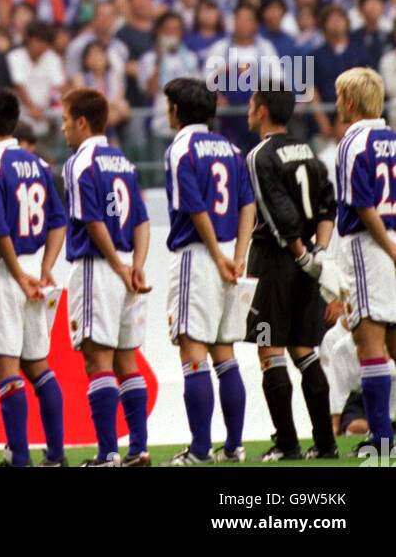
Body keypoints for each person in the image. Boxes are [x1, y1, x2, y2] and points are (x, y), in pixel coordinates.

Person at [163, 75, 255, 466]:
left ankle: (200, 450)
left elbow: (194, 206)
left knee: (193, 349)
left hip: (197, 258)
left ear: (177, 110)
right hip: (229, 260)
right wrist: (239, 253)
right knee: (225, 352)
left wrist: (217, 254)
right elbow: (247, 203)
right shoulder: (232, 150)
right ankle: (233, 447)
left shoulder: (180, 148)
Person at [0, 85, 67, 468]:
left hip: (6, 274)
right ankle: (57, 453)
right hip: (35, 273)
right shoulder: (38, 165)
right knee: (39, 365)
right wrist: (44, 268)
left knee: (5, 367)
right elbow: (58, 221)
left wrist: (17, 273)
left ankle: (19, 455)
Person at [245, 83, 338, 462]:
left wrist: (299, 253)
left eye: (252, 105)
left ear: (262, 110)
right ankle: (327, 444)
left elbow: (276, 213)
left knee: (270, 350)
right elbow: (328, 207)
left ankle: (287, 445)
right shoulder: (309, 152)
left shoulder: (259, 156)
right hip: (309, 263)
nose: (249, 111)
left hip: (276, 264)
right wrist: (318, 254)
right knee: (305, 349)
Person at [61, 86, 151, 467]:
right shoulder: (123, 162)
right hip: (129, 266)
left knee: (98, 363)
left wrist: (116, 264)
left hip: (97, 268)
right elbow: (143, 220)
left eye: (65, 121)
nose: (63, 129)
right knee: (127, 360)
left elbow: (92, 221)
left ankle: (108, 452)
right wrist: (137, 264)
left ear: (82, 122)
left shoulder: (80, 163)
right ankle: (139, 449)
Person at [335, 66, 396, 454]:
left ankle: (380, 440)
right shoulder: (392, 139)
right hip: (392, 237)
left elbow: (362, 205)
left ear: (351, 102)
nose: (338, 103)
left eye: (341, 97)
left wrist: (389, 250)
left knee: (369, 343)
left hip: (370, 248)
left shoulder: (352, 142)